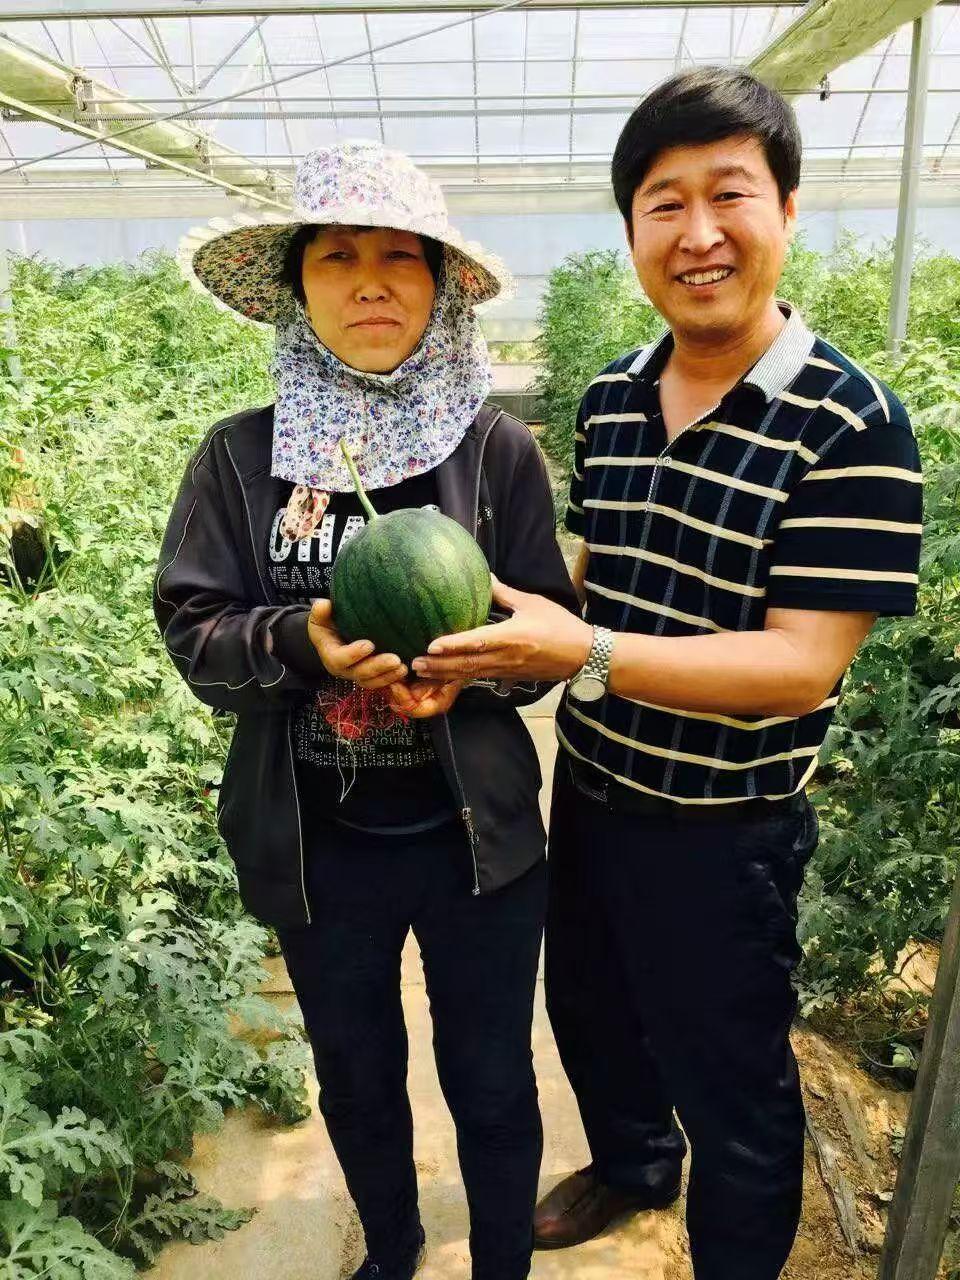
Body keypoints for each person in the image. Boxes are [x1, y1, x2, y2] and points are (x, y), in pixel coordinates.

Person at [411, 68, 923, 1279]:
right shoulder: (613, 396)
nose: (698, 234)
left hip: (724, 826)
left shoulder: (853, 425)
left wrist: (580, 651)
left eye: (728, 194)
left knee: (730, 1073)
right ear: (633, 229)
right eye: (663, 203)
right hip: (594, 791)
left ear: (785, 210)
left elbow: (800, 664)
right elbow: (603, 563)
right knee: (590, 1012)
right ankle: (635, 1165)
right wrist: (502, 621)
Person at [154, 141, 577, 1280]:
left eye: (402, 257)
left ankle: (500, 1264)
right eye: (337, 257)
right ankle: (391, 1252)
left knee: (491, 1076)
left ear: (441, 286)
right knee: (354, 1073)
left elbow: (549, 638)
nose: (372, 282)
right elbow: (194, 629)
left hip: (477, 843)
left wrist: (480, 668)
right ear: (297, 287)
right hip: (318, 846)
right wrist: (302, 642)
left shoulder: (495, 451)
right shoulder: (240, 459)